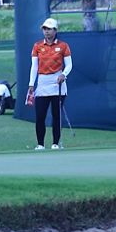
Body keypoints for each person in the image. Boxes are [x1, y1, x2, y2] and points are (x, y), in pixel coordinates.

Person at [25, 17, 72, 150]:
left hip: (58, 82)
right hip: (42, 82)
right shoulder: (37, 46)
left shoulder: (63, 46)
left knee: (56, 116)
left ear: (55, 31)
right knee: (40, 116)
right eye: (45, 29)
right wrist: (31, 83)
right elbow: (34, 66)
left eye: (49, 29)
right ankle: (40, 144)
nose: (46, 31)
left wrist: (64, 74)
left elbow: (69, 65)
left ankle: (55, 143)